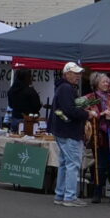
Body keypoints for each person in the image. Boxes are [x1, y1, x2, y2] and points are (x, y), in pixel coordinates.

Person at [49, 62, 87, 206]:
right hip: (69, 131)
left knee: (65, 163)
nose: (78, 76)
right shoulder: (66, 88)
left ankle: (60, 194)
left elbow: (67, 109)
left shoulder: (62, 87)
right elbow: (70, 110)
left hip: (62, 130)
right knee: (72, 163)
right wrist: (87, 114)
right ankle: (69, 196)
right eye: (75, 73)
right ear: (67, 74)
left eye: (79, 73)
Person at [85, 71, 110, 200]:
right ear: (96, 83)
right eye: (104, 81)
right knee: (99, 164)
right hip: (97, 136)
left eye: (108, 82)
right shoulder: (89, 98)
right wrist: (99, 115)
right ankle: (97, 190)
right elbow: (78, 111)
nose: (107, 84)